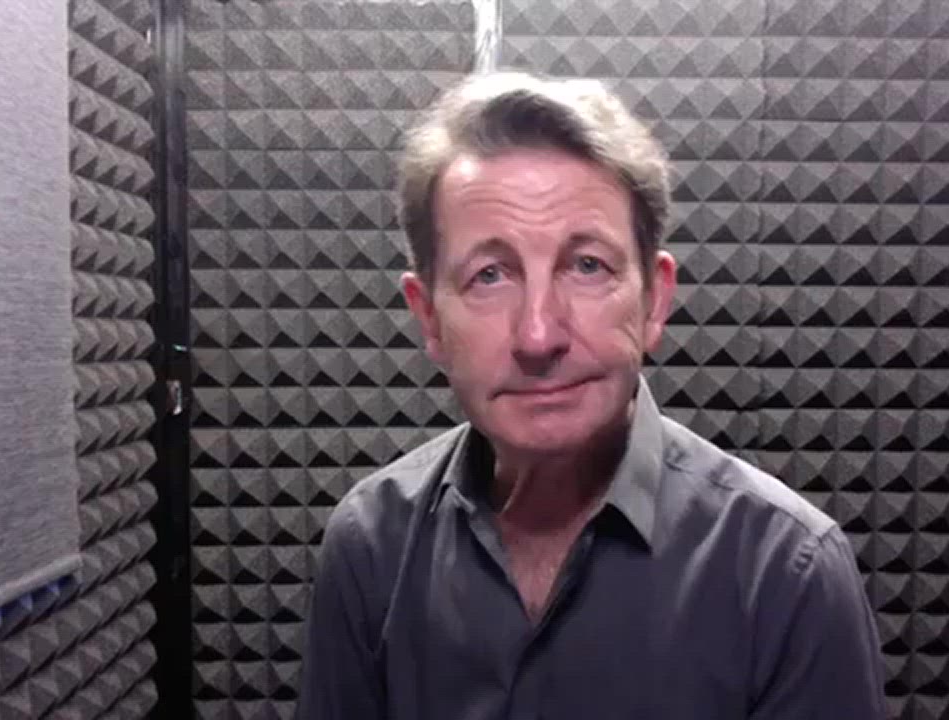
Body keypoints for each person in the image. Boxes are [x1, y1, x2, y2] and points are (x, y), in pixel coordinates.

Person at [295, 70, 888, 719]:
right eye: (489, 275)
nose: (539, 334)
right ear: (429, 317)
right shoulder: (370, 548)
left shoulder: (788, 574)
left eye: (587, 266)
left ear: (654, 300)